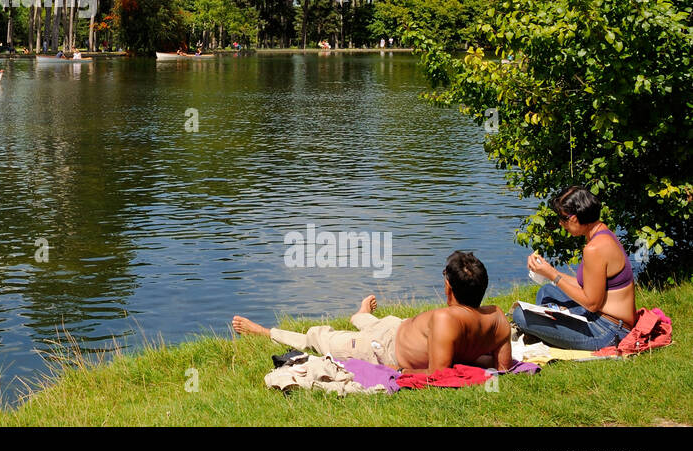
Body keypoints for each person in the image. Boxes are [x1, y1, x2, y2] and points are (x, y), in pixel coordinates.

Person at [232, 251, 514, 373]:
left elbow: (438, 375)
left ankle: (265, 331)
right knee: (373, 320)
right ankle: (360, 315)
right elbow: (502, 366)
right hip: (399, 327)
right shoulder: (498, 317)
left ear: (448, 287)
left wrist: (399, 370)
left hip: (382, 348)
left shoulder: (444, 319)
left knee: (319, 337)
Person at [512, 186, 636, 350]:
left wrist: (553, 275)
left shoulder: (594, 249)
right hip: (607, 320)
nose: (560, 223)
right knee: (548, 291)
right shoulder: (602, 232)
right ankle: (552, 326)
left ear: (575, 218)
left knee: (520, 315)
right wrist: (550, 273)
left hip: (607, 332)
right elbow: (589, 287)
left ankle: (546, 330)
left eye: (563, 218)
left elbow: (592, 304)